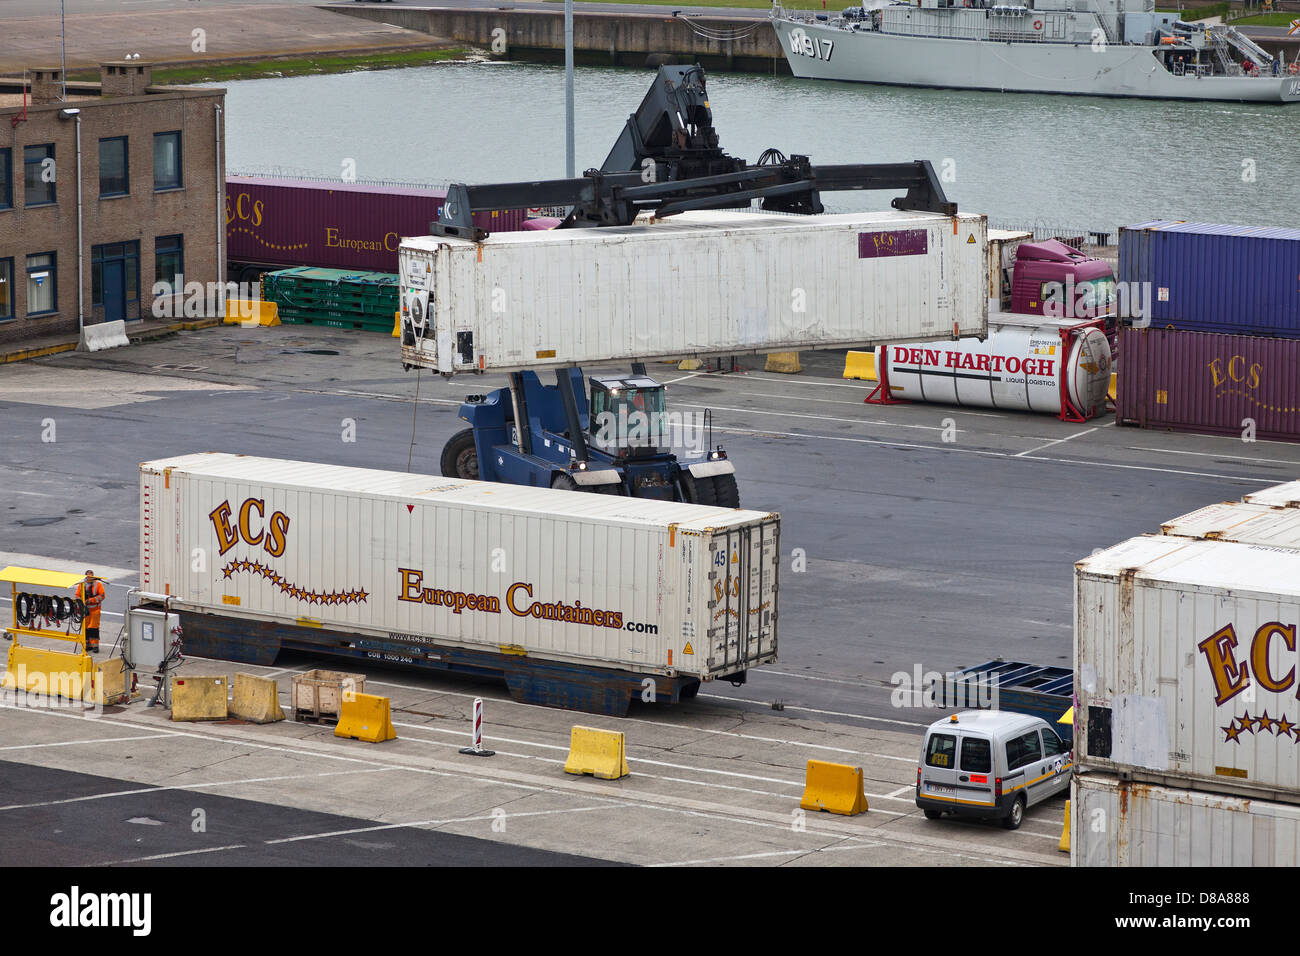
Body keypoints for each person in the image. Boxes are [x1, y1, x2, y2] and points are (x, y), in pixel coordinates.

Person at [77, 570, 105, 654]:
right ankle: (88, 644)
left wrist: (91, 600)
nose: (89, 578)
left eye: (91, 576)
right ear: (85, 576)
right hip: (85, 610)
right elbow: (77, 595)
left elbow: (102, 596)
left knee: (93, 627)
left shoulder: (98, 585)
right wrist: (80, 601)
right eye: (88, 576)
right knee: (85, 628)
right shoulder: (82, 585)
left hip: (95, 610)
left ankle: (95, 646)